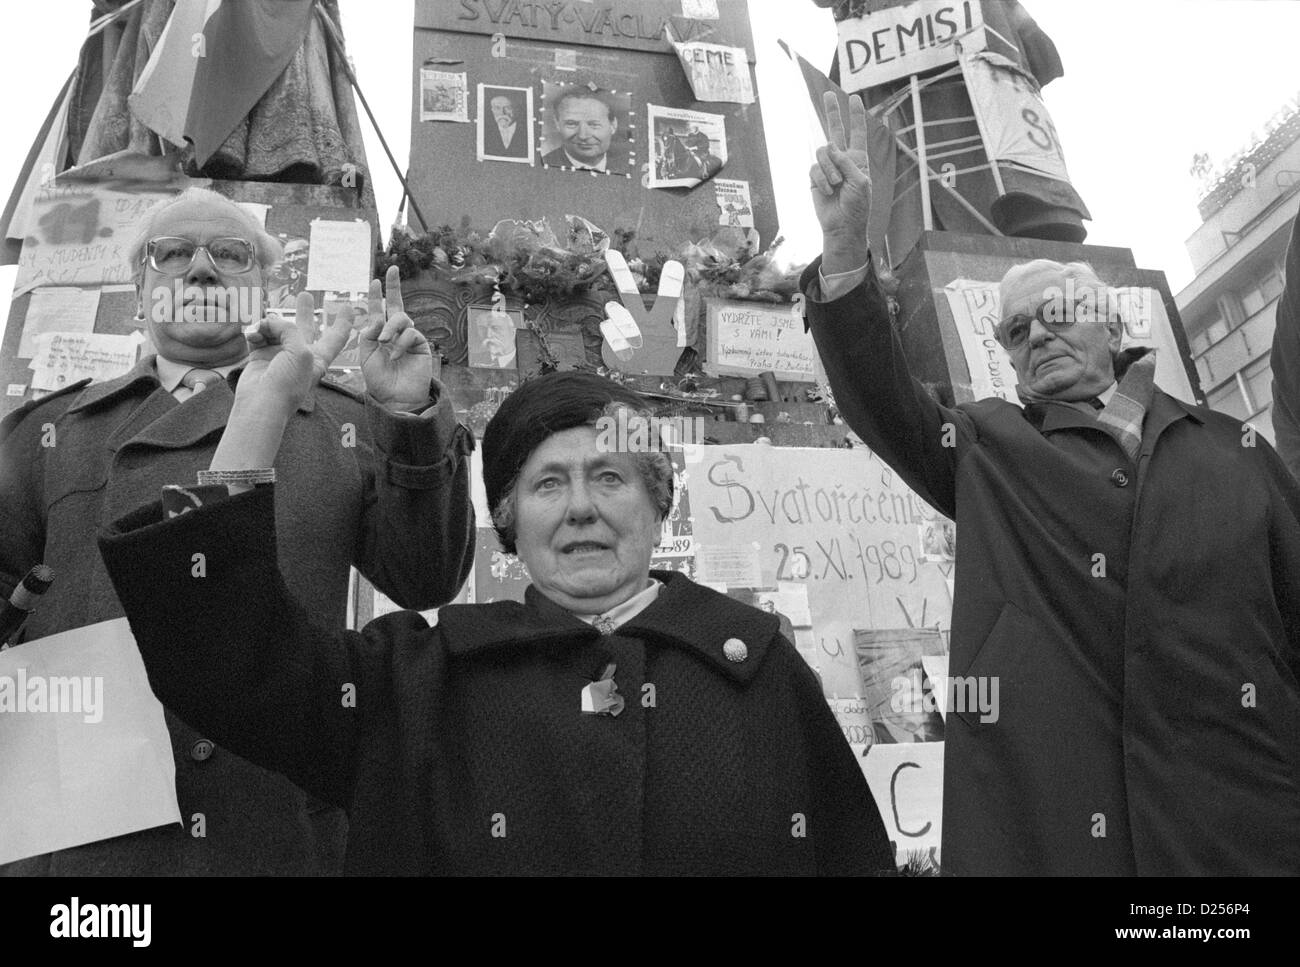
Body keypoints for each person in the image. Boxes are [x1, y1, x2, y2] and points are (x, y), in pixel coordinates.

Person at [97, 366, 896, 876]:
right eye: (547, 484)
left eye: (609, 477)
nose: (580, 507)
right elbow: (232, 666)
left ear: (658, 503)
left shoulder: (759, 666)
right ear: (510, 520)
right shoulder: (415, 678)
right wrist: (258, 417)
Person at [803, 92, 1300, 875]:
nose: (1037, 334)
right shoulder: (986, 445)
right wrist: (842, 249)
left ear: (1112, 325)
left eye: (1057, 312)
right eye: (1016, 330)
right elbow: (880, 395)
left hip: (1242, 833)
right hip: (1061, 832)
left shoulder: (1236, 453)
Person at [0, 187, 476, 876]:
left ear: (264, 291)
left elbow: (425, 576)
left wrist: (408, 419)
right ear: (139, 294)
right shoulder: (50, 430)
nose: (201, 268)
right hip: (83, 826)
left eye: (230, 253)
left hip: (272, 812)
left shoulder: (345, 421)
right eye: (172, 254)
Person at [541, 89, 621, 173]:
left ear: (613, 125)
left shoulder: (626, 163)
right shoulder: (544, 164)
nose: (583, 136)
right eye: (571, 124)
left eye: (594, 124)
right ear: (557, 124)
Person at [482, 92, 527, 160]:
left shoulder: (527, 132)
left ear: (517, 109)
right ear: (492, 110)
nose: (502, 113)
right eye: (497, 108)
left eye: (508, 108)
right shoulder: (485, 132)